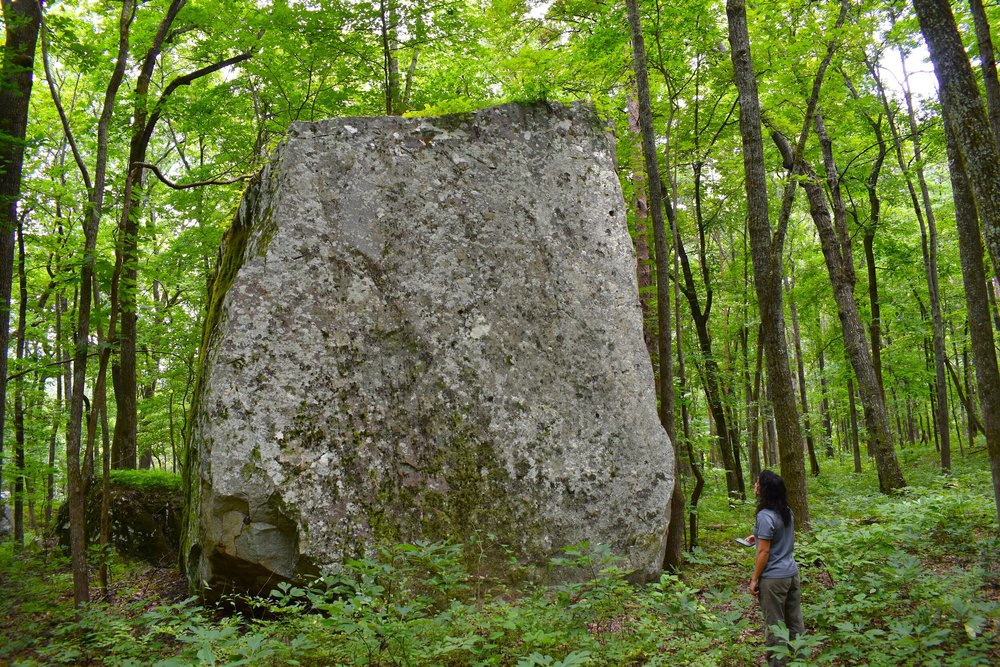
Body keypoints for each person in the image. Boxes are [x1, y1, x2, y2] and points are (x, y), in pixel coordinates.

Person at [743, 470, 804, 667]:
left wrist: (754, 580)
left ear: (764, 489)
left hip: (773, 579)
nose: (755, 486)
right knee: (795, 621)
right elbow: (779, 536)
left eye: (757, 483)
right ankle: (800, 661)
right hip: (792, 574)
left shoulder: (764, 515)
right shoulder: (786, 511)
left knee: (776, 626)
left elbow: (764, 553)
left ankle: (778, 664)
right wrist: (757, 537)